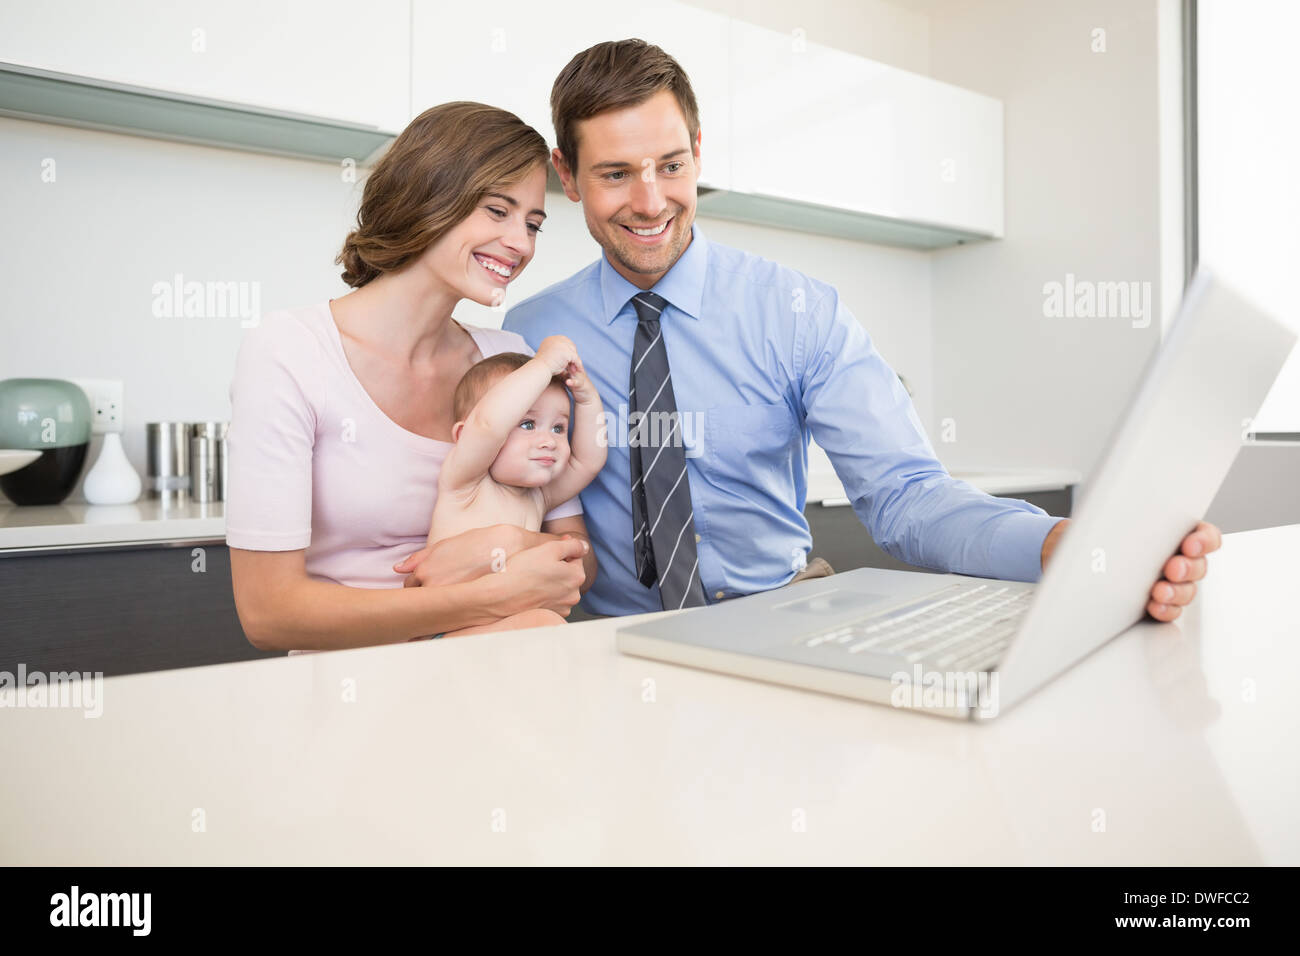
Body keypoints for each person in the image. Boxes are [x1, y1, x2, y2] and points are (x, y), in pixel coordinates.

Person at [492, 38, 1221, 619]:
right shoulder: (530, 334)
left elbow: (906, 494)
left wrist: (1062, 543)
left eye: (671, 165)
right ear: (567, 173)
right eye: (616, 174)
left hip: (780, 621)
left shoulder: (800, 313)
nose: (651, 201)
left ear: (698, 154)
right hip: (600, 648)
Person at [226, 102, 593, 653]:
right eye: (498, 211)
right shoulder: (291, 351)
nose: (521, 244)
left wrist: (494, 545)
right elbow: (269, 613)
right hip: (345, 696)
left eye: (533, 223)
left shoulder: (510, 360)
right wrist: (480, 592)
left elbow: (570, 569)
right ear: (430, 196)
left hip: (493, 686)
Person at [422, 335, 607, 638]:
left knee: (548, 631)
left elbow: (589, 461)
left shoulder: (538, 496)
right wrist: (543, 364)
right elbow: (488, 426)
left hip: (509, 626)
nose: (549, 441)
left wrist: (586, 399)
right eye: (527, 424)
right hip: (454, 627)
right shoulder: (465, 482)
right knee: (548, 629)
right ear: (462, 435)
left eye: (558, 427)